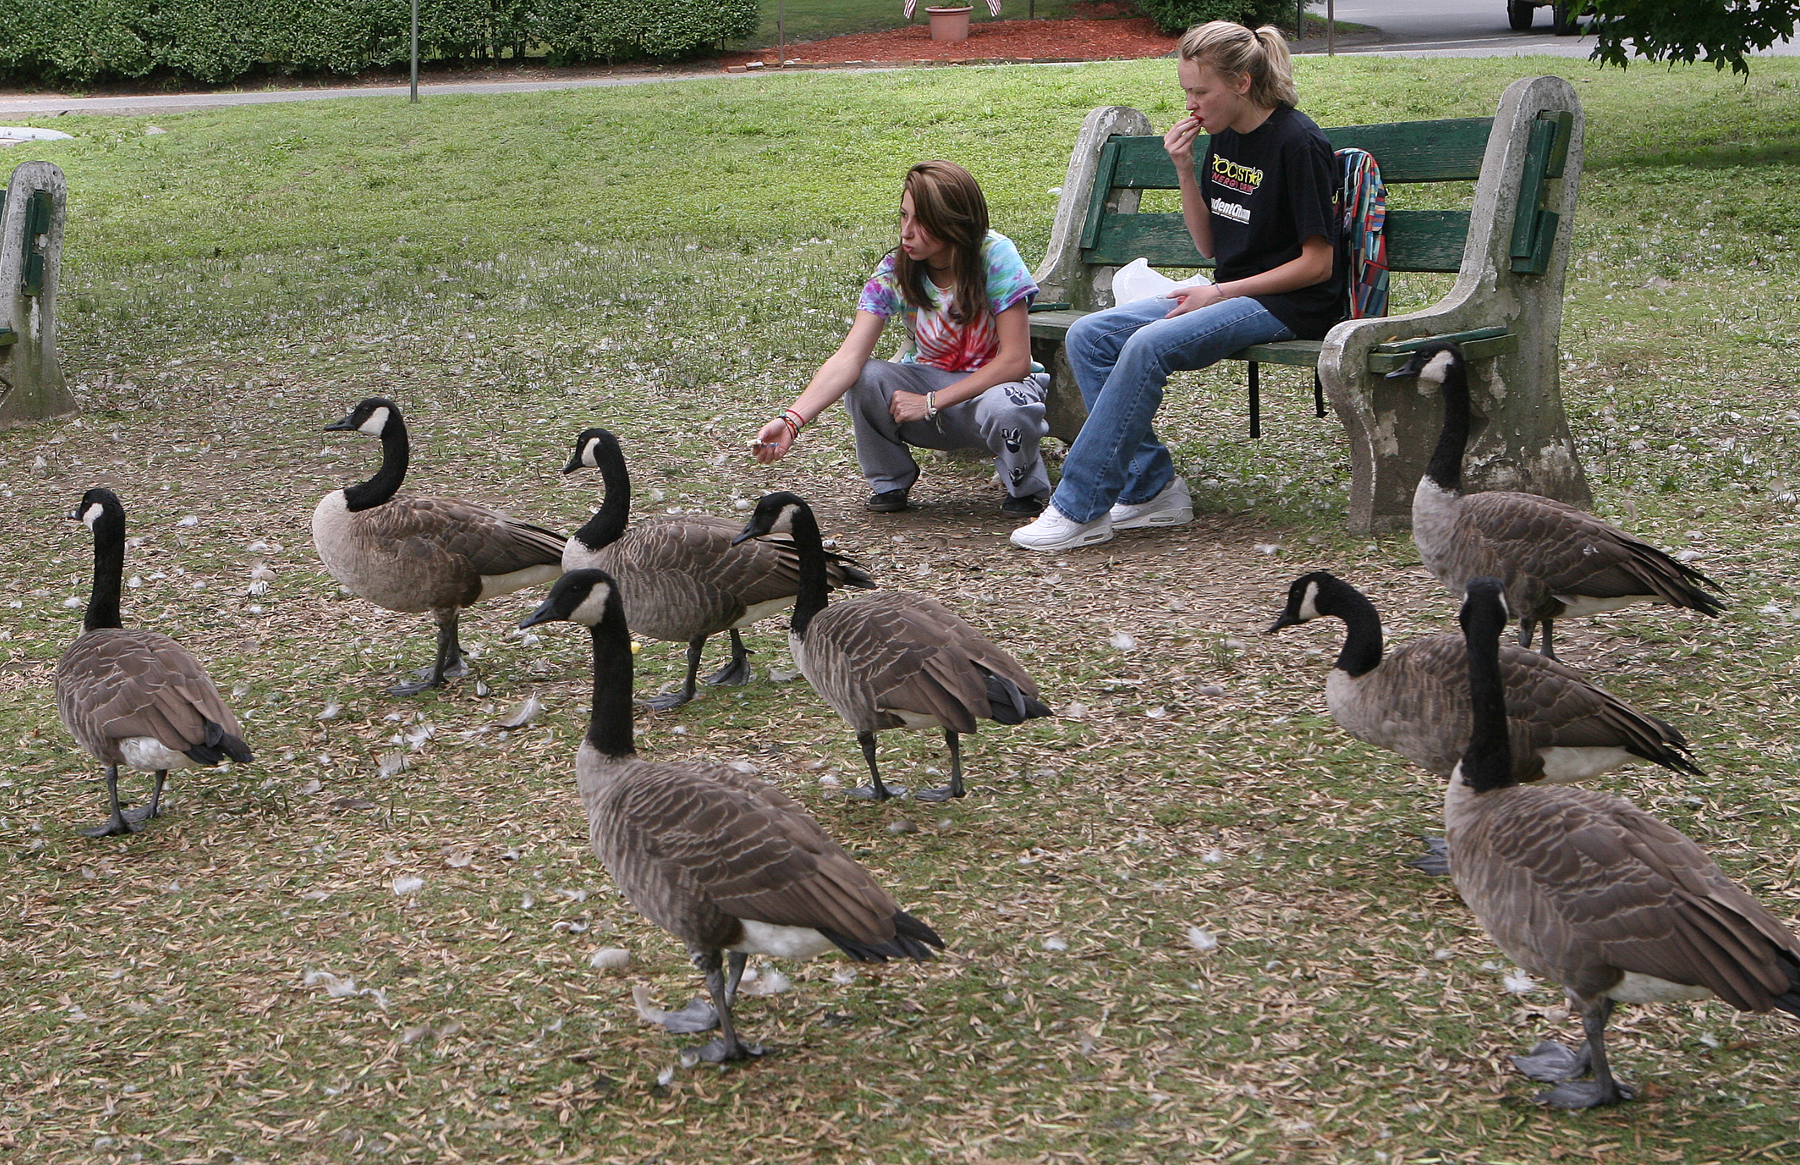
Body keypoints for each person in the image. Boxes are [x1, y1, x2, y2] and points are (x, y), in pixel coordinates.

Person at [1010, 21, 1343, 551]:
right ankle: (1152, 489)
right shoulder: (1223, 137)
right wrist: (1184, 169)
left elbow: (1317, 266)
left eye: (1200, 91)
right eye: (1186, 90)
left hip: (1292, 304)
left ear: (1241, 83)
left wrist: (1220, 293)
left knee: (1146, 345)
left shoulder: (1298, 143)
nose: (1190, 104)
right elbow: (1210, 245)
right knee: (1089, 336)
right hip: (1231, 291)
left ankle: (1079, 506)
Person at [752, 160, 1051, 515]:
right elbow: (848, 358)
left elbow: (1016, 362)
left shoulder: (995, 255)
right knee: (866, 376)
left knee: (1009, 406)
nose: (906, 232)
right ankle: (890, 481)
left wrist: (930, 401)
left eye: (921, 221)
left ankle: (1025, 489)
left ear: (955, 223)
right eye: (903, 217)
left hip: (990, 395)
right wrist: (791, 420)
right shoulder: (896, 267)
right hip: (926, 393)